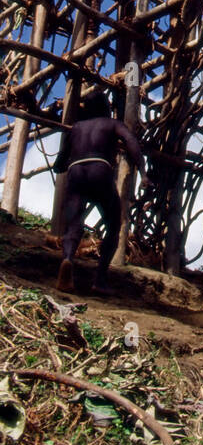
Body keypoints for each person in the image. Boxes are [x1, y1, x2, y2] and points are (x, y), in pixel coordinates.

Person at [54, 93, 149, 296]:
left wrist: (65, 162)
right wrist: (143, 172)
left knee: (73, 224)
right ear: (106, 107)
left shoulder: (76, 128)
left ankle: (68, 259)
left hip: (75, 171)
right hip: (100, 169)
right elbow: (131, 143)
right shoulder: (112, 124)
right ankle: (100, 279)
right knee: (114, 224)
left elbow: (59, 163)